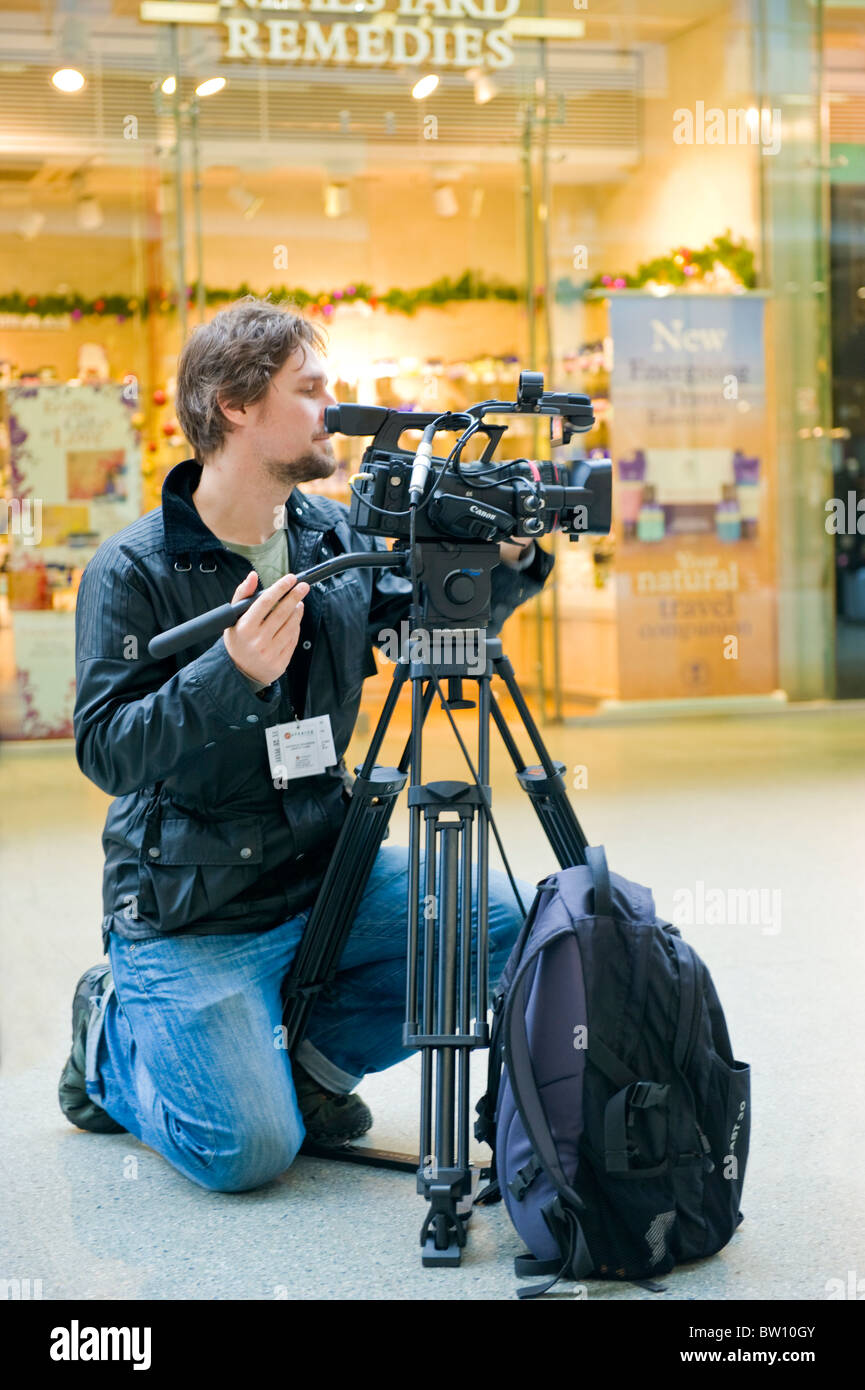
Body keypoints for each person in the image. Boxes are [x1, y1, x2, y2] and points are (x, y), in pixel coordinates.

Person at [59, 295, 555, 1193]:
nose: (334, 408)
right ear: (234, 405)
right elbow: (106, 750)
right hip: (194, 910)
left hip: (326, 870)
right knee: (245, 1153)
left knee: (502, 923)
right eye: (311, 388)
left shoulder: (336, 536)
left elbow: (421, 630)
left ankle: (314, 1068)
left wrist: (505, 561)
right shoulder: (132, 569)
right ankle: (108, 1038)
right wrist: (230, 674)